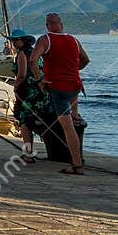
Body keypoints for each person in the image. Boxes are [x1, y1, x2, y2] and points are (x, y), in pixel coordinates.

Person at [33, 13, 89, 175]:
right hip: (75, 86)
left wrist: (40, 79)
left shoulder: (45, 39)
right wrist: (72, 70)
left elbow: (33, 60)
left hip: (58, 87)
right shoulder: (73, 40)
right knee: (75, 119)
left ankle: (77, 164)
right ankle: (78, 159)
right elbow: (85, 60)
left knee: (68, 127)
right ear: (61, 25)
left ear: (47, 25)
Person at [10, 29, 42, 162]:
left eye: (15, 40)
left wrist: (15, 86)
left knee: (25, 121)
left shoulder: (22, 54)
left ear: (22, 41)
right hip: (39, 89)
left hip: (27, 91)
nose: (13, 43)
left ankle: (28, 154)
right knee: (32, 120)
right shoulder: (35, 52)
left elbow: (22, 74)